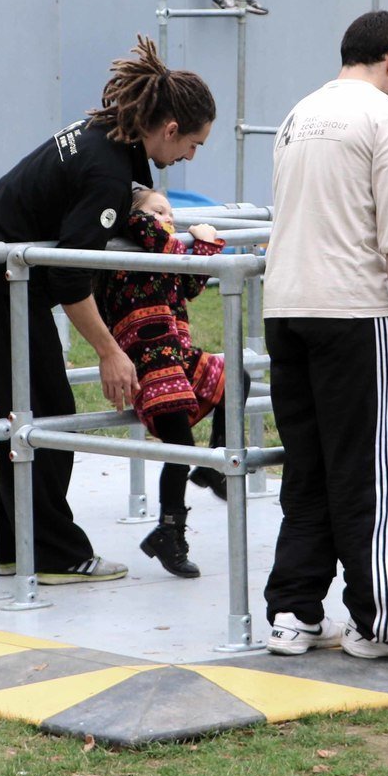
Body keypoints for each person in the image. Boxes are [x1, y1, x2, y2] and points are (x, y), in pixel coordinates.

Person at [0, 37, 216, 585]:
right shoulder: (107, 169)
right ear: (169, 130)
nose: (189, 158)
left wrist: (134, 202)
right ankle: (53, 553)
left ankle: (13, 545)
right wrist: (110, 353)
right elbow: (69, 274)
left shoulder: (106, 137)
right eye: (193, 145)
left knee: (10, 411)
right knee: (41, 413)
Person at [263, 10, 388, 665]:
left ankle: (293, 613)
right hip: (353, 312)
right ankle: (377, 622)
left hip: (286, 307)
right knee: (372, 475)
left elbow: (331, 214)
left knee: (310, 467)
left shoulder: (298, 115)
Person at [94, 188, 229, 579]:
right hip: (151, 363)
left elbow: (190, 284)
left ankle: (213, 465)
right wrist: (198, 239)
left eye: (170, 212)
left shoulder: (163, 251)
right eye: (159, 210)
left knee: (235, 377)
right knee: (180, 448)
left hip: (178, 356)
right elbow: (146, 228)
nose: (167, 218)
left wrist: (200, 248)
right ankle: (170, 530)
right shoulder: (131, 237)